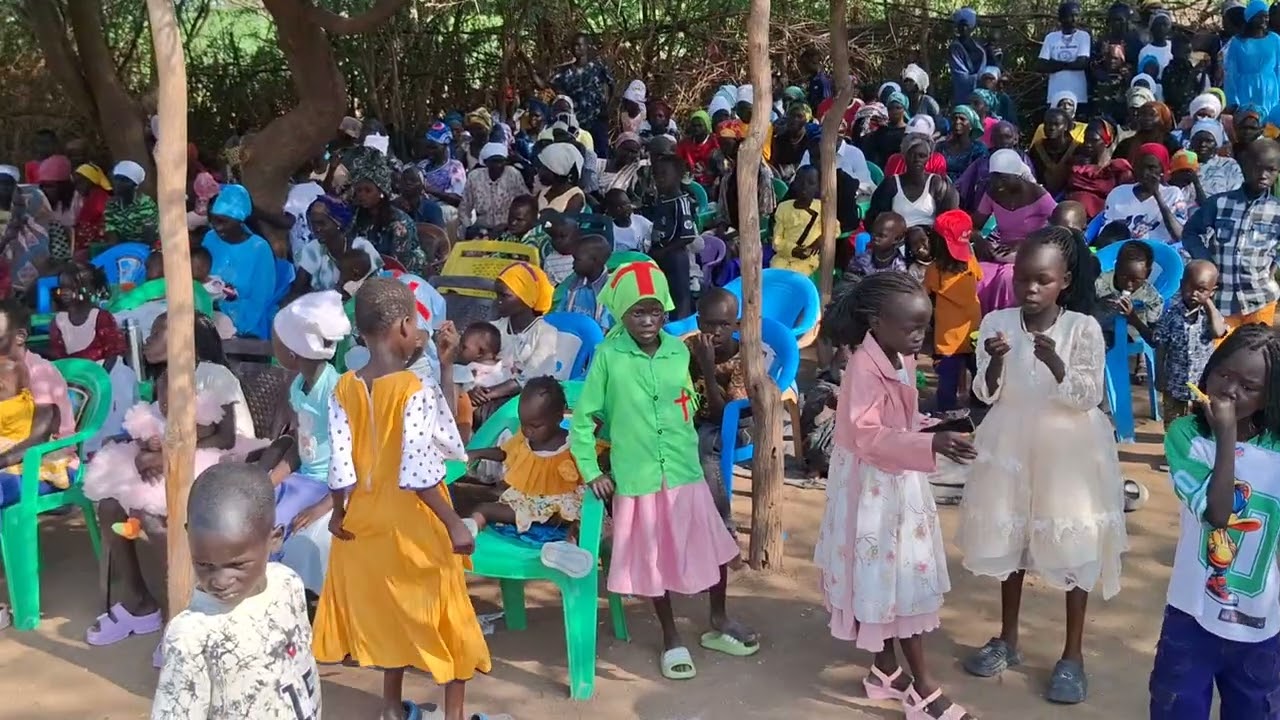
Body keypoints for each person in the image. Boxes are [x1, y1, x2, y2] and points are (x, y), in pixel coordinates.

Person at [571, 260, 757, 682]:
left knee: (713, 546)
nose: (648, 321)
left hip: (683, 469)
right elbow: (583, 422)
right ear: (622, 313)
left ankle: (719, 618)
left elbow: (692, 402)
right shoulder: (607, 357)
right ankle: (671, 636)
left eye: (656, 311)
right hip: (638, 477)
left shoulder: (678, 352)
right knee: (654, 559)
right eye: (637, 312)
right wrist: (592, 470)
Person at [959, 227, 1122, 705]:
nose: (1030, 289)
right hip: (1010, 443)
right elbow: (986, 393)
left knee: (1073, 544)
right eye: (1022, 279)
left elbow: (1087, 396)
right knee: (1012, 538)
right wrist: (993, 363)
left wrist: (1056, 364)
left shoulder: (1082, 328)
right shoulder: (996, 322)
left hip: (1068, 451)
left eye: (1042, 281)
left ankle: (1072, 655)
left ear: (1064, 282)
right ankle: (1007, 639)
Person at [315, 278, 492, 720]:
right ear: (405, 326)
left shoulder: (344, 387)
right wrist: (453, 521)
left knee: (389, 615)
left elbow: (341, 467)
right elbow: (423, 467)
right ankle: (454, 716)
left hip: (363, 520)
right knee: (448, 618)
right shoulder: (414, 388)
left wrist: (337, 514)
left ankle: (392, 709)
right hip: (415, 521)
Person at [814, 271, 977, 720]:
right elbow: (868, 435)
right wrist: (931, 443)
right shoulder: (864, 368)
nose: (920, 336)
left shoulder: (898, 355)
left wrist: (935, 429)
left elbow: (899, 419)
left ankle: (885, 670)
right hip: (872, 488)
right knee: (900, 583)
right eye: (911, 328)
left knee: (886, 579)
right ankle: (924, 690)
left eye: (924, 326)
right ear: (877, 322)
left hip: (896, 480)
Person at [84, 313, 255, 661]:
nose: (148, 339)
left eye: (158, 331)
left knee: (150, 516)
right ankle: (140, 603)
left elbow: (226, 438)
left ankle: (181, 612)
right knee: (111, 505)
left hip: (221, 463)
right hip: (176, 459)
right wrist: (143, 446)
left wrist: (165, 456)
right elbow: (159, 425)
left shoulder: (213, 375)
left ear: (183, 340)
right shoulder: (164, 377)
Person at [1149, 325, 1280, 719]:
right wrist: (1226, 436)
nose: (1231, 390)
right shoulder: (1187, 435)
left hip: (1261, 622)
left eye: (1249, 387)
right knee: (1178, 708)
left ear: (1268, 395)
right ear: (1208, 371)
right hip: (1192, 615)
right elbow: (1218, 515)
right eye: (1224, 374)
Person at [151, 464, 319, 720]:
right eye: (205, 565)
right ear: (189, 537)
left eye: (237, 565)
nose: (220, 581)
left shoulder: (288, 584)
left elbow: (303, 666)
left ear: (274, 539)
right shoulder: (191, 635)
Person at [465, 376, 594, 566]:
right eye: (523, 423)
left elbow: (593, 463)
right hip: (529, 502)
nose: (527, 431)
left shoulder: (573, 444)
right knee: (484, 509)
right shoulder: (523, 441)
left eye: (535, 426)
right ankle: (468, 530)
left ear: (558, 417)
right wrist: (477, 453)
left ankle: (568, 551)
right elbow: (504, 453)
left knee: (580, 523)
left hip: (563, 506)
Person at [268, 292, 350, 555]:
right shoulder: (298, 386)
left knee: (273, 530)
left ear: (292, 353)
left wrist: (322, 507)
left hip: (327, 487)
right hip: (302, 479)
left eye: (276, 340)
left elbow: (354, 458)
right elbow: (302, 444)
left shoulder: (337, 392)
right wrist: (270, 481)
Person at [1184, 138, 1280, 329]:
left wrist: (1275, 264)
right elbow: (1190, 232)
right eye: (1257, 168)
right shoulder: (1219, 203)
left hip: (1260, 298)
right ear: (1244, 166)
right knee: (1221, 346)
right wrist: (1206, 261)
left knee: (1256, 346)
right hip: (1222, 300)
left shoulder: (1277, 210)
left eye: (1271, 170)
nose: (1263, 175)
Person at [685, 289, 748, 533]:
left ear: (736, 324)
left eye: (724, 324)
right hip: (695, 419)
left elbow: (723, 418)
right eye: (710, 324)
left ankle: (723, 524)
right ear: (699, 322)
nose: (717, 331)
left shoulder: (744, 359)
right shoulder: (689, 347)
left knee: (706, 444)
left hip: (738, 426)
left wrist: (708, 368)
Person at [472, 262, 563, 425]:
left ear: (526, 298)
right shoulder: (494, 328)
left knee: (481, 413)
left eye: (504, 296)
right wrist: (475, 390)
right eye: (497, 295)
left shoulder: (545, 334)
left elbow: (531, 377)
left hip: (524, 398)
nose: (498, 301)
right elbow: (472, 362)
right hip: (489, 391)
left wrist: (488, 393)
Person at [973, 149, 1058, 313]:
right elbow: (975, 224)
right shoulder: (993, 192)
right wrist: (979, 239)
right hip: (1001, 251)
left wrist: (1026, 243)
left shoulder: (1037, 194)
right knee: (978, 275)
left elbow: (1059, 226)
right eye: (994, 178)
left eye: (1003, 178)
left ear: (1017, 175)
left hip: (1031, 252)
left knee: (1008, 278)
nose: (998, 183)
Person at [1148, 260, 1227, 428]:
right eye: (1190, 287)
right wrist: (1159, 375)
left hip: (1202, 385)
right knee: (1173, 426)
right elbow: (1161, 347)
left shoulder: (1211, 316)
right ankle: (1173, 445)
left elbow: (1219, 332)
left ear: (1212, 291)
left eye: (1202, 290)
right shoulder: (1170, 315)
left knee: (1201, 426)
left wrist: (1208, 303)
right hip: (1175, 384)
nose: (1194, 294)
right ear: (1181, 284)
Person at [201, 184, 277, 338]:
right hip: (207, 314)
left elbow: (261, 301)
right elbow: (200, 273)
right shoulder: (210, 239)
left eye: (223, 221)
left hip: (246, 326)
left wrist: (228, 306)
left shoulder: (259, 249)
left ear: (240, 220)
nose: (217, 227)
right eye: (214, 221)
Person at [926, 210, 983, 412]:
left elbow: (925, 293)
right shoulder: (971, 262)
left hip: (947, 339)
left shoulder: (934, 269)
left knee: (947, 381)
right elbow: (979, 277)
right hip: (973, 332)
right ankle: (980, 402)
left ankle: (947, 411)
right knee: (978, 371)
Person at [348, 157, 428, 277]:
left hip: (403, 275)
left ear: (381, 192)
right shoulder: (358, 217)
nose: (362, 195)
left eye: (368, 191)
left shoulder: (399, 223)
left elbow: (399, 263)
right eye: (359, 191)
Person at [645, 155, 699, 319]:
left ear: (678, 176)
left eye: (664, 174)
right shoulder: (661, 201)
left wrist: (664, 251)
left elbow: (688, 236)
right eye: (656, 175)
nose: (659, 179)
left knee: (679, 294)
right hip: (659, 254)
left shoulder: (681, 202)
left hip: (675, 256)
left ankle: (682, 326)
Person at [1100, 143, 1187, 244]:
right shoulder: (1119, 193)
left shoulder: (1173, 194)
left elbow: (1179, 235)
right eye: (1141, 167)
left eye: (1152, 168)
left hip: (1158, 250)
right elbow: (1104, 233)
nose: (1145, 173)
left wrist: (1157, 195)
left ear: (1162, 169)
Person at [293, 195, 382, 294]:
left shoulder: (363, 248)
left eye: (321, 223)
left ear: (338, 223)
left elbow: (378, 288)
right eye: (313, 224)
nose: (316, 229)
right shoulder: (312, 249)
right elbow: (297, 289)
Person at [546, 33, 615, 155]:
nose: (575, 48)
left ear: (586, 46)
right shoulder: (565, 72)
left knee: (601, 154)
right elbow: (546, 84)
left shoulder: (597, 67)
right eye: (573, 45)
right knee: (578, 153)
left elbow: (611, 85)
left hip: (598, 119)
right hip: (577, 122)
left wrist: (608, 105)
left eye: (579, 45)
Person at [48, 261, 127, 363]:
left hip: (104, 371)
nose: (64, 292)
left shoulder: (100, 318)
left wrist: (101, 372)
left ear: (90, 289)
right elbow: (59, 359)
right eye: (62, 287)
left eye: (72, 288)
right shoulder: (59, 322)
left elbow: (114, 353)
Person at [1093, 240, 1164, 347]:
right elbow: (1083, 313)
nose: (1128, 285)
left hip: (1134, 342)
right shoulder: (1100, 283)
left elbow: (1154, 340)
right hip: (1099, 333)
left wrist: (1132, 317)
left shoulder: (1151, 298)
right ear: (1116, 267)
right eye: (1123, 277)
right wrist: (1100, 306)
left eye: (1135, 280)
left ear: (1148, 274)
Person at [1065, 119, 1134, 220]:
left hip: (1101, 219)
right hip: (1070, 215)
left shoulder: (1118, 168)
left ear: (1107, 142)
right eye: (1086, 140)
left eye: (1094, 140)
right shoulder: (1077, 164)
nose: (1088, 144)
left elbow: (1126, 199)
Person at [1225, 0, 1280, 117]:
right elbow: (1231, 72)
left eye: (1266, 16)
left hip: (1270, 89)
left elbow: (1278, 68)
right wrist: (1232, 100)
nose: (1264, 20)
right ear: (1250, 18)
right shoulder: (1237, 42)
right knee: (1249, 120)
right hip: (1246, 89)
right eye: (1260, 16)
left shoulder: (1275, 39)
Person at [458, 143, 527, 234]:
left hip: (508, 229)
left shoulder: (513, 174)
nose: (498, 165)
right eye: (494, 161)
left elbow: (525, 201)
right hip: (482, 229)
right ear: (486, 162)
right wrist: (468, 227)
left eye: (501, 161)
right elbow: (464, 208)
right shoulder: (474, 177)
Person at [956, 121, 1022, 213]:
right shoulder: (982, 163)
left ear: (1015, 140)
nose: (1003, 141)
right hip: (984, 211)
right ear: (992, 140)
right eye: (999, 137)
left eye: (1007, 137)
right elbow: (962, 185)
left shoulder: (1023, 161)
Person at [552, 234, 613, 332]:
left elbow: (604, 330)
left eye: (577, 260)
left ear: (595, 261)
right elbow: (560, 314)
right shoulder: (574, 283)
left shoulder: (610, 290)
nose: (573, 264)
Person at [1038, 2, 1092, 111]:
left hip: (1078, 94)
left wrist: (1055, 64)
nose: (1074, 19)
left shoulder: (1083, 36)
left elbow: (1082, 64)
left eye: (1076, 15)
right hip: (1055, 93)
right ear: (1061, 18)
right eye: (1070, 16)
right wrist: (1071, 63)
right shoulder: (1051, 37)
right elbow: (1041, 65)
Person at [769, 166, 822, 276]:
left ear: (818, 187)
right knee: (774, 276)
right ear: (794, 184)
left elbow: (834, 229)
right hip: (783, 258)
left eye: (811, 183)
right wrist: (792, 250)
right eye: (800, 182)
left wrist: (818, 242)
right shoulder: (783, 208)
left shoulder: (821, 208)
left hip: (808, 260)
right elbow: (777, 241)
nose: (805, 187)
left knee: (795, 279)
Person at [104, 160, 159, 246]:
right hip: (124, 247)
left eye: (124, 180)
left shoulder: (145, 204)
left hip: (145, 248)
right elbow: (111, 232)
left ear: (135, 185)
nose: (118, 183)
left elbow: (149, 239)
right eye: (116, 179)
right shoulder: (112, 205)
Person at [415, 123, 467, 212]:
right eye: (428, 147)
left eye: (434, 148)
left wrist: (430, 190)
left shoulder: (455, 167)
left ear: (445, 146)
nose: (429, 151)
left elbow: (459, 200)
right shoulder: (422, 166)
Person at [1187, 119, 1243, 200]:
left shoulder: (1228, 165)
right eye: (1198, 140)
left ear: (1217, 143)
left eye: (1208, 141)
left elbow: (1235, 193)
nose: (1203, 144)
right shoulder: (1185, 164)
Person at [1029, 108, 1080, 195]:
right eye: (1047, 124)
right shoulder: (1037, 148)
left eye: (1056, 124)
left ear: (1066, 126)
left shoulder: (1077, 148)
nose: (1051, 128)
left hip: (1069, 194)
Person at [1115, 101, 1181, 163]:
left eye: (1152, 115)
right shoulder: (1126, 145)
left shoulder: (1171, 143)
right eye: (1143, 114)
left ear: (1163, 118)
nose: (1146, 118)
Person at [860, 91, 910, 169]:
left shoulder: (908, 133)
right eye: (890, 108)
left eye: (898, 108)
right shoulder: (881, 131)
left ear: (904, 110)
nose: (894, 111)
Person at [937, 105, 988, 182]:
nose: (957, 122)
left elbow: (980, 176)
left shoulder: (978, 149)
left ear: (971, 125)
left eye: (962, 119)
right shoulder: (941, 147)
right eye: (954, 118)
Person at [949, 8, 989, 104]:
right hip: (965, 95)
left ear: (972, 27)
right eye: (961, 26)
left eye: (966, 26)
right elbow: (960, 76)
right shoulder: (955, 48)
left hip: (983, 92)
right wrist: (979, 79)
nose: (964, 29)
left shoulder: (978, 47)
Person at [849, 212, 908, 276]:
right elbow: (850, 277)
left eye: (881, 235)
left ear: (896, 239)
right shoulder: (862, 258)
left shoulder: (900, 265)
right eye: (873, 233)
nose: (875, 238)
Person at [536, 142, 586, 215]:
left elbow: (568, 221)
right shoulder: (543, 193)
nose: (539, 171)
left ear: (556, 170)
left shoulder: (575, 197)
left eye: (544, 168)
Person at [72, 163, 112, 250]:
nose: (77, 187)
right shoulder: (86, 198)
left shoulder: (99, 197)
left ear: (91, 181)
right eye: (75, 183)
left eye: (80, 182)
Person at [677, 112, 718, 189]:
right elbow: (678, 161)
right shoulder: (684, 143)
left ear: (707, 126)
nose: (696, 128)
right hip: (689, 183)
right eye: (694, 125)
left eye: (699, 125)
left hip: (712, 185)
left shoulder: (715, 142)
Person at [605, 188, 652, 253]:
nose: (626, 208)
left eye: (627, 204)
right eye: (619, 207)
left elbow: (654, 233)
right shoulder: (609, 231)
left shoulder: (640, 221)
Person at [540, 212, 579, 285]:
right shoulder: (549, 261)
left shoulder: (584, 255)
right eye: (554, 236)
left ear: (576, 236)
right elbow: (549, 285)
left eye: (562, 236)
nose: (557, 240)